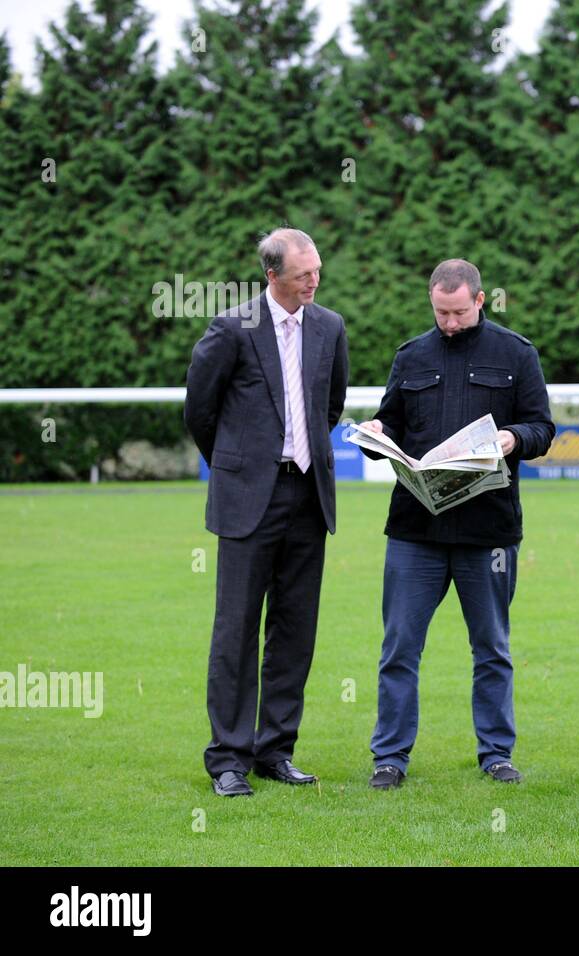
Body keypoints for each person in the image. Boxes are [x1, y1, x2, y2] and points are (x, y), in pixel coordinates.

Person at [356, 259, 554, 789]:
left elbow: (542, 428)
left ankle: (496, 754)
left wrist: (514, 439)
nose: (448, 322)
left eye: (459, 312)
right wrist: (377, 433)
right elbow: (391, 422)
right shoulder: (411, 356)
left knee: (492, 647)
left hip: (488, 531)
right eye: (440, 312)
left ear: (481, 300)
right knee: (399, 647)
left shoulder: (516, 353)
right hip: (414, 531)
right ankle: (390, 758)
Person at [184, 227, 350, 797]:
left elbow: (331, 405)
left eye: (318, 271)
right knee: (235, 632)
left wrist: (296, 461)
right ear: (271, 275)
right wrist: (237, 468)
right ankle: (228, 759)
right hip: (247, 501)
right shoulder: (232, 327)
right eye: (304, 274)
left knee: (294, 630)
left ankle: (275, 751)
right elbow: (200, 411)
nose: (314, 281)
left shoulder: (329, 326)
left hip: (308, 498)